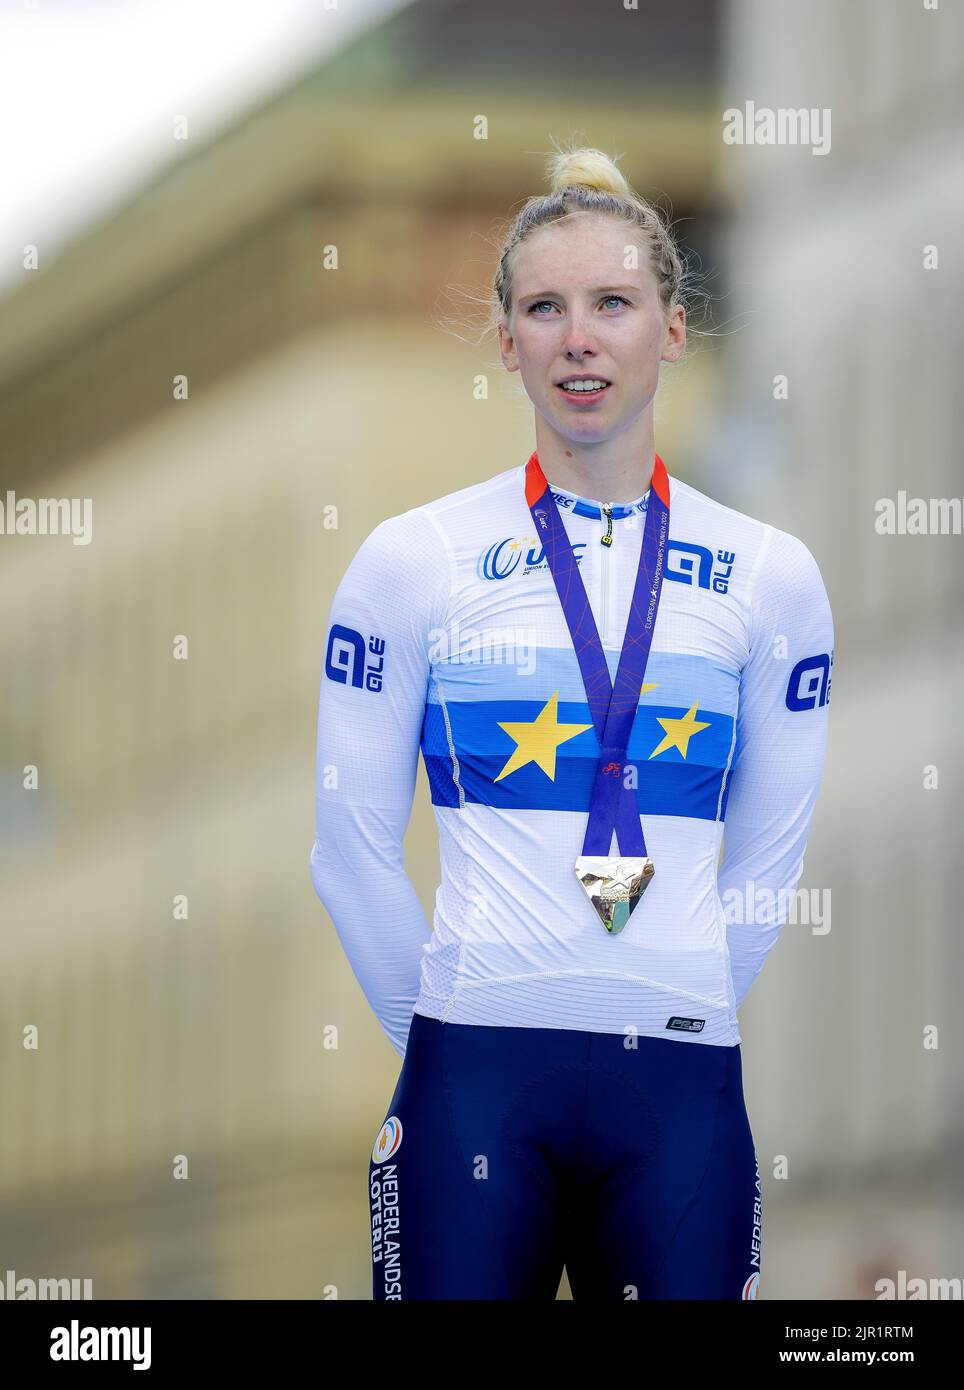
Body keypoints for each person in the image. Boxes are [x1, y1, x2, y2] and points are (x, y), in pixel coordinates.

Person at [310, 141, 834, 1301]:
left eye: (613, 303)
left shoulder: (770, 578)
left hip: (679, 1088)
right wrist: (456, 1037)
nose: (578, 336)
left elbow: (766, 859)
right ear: (506, 342)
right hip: (470, 1079)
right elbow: (346, 854)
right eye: (544, 308)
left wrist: (657, 998)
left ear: (675, 328)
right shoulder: (414, 562)